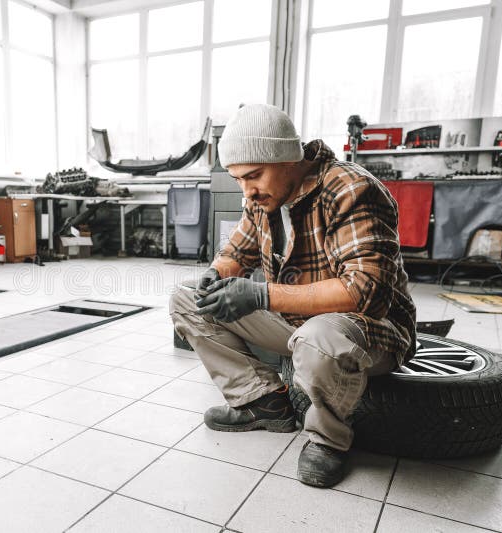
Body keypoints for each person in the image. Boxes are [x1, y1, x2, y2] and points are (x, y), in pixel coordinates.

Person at [170, 104, 416, 488]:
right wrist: (215, 275)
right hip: (295, 324)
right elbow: (238, 251)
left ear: (288, 160)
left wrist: (262, 295)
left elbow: (364, 290)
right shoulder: (261, 197)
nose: (246, 190)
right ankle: (262, 402)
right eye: (237, 179)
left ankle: (329, 440)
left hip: (367, 330)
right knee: (187, 299)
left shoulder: (352, 190)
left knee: (319, 337)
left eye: (253, 176)